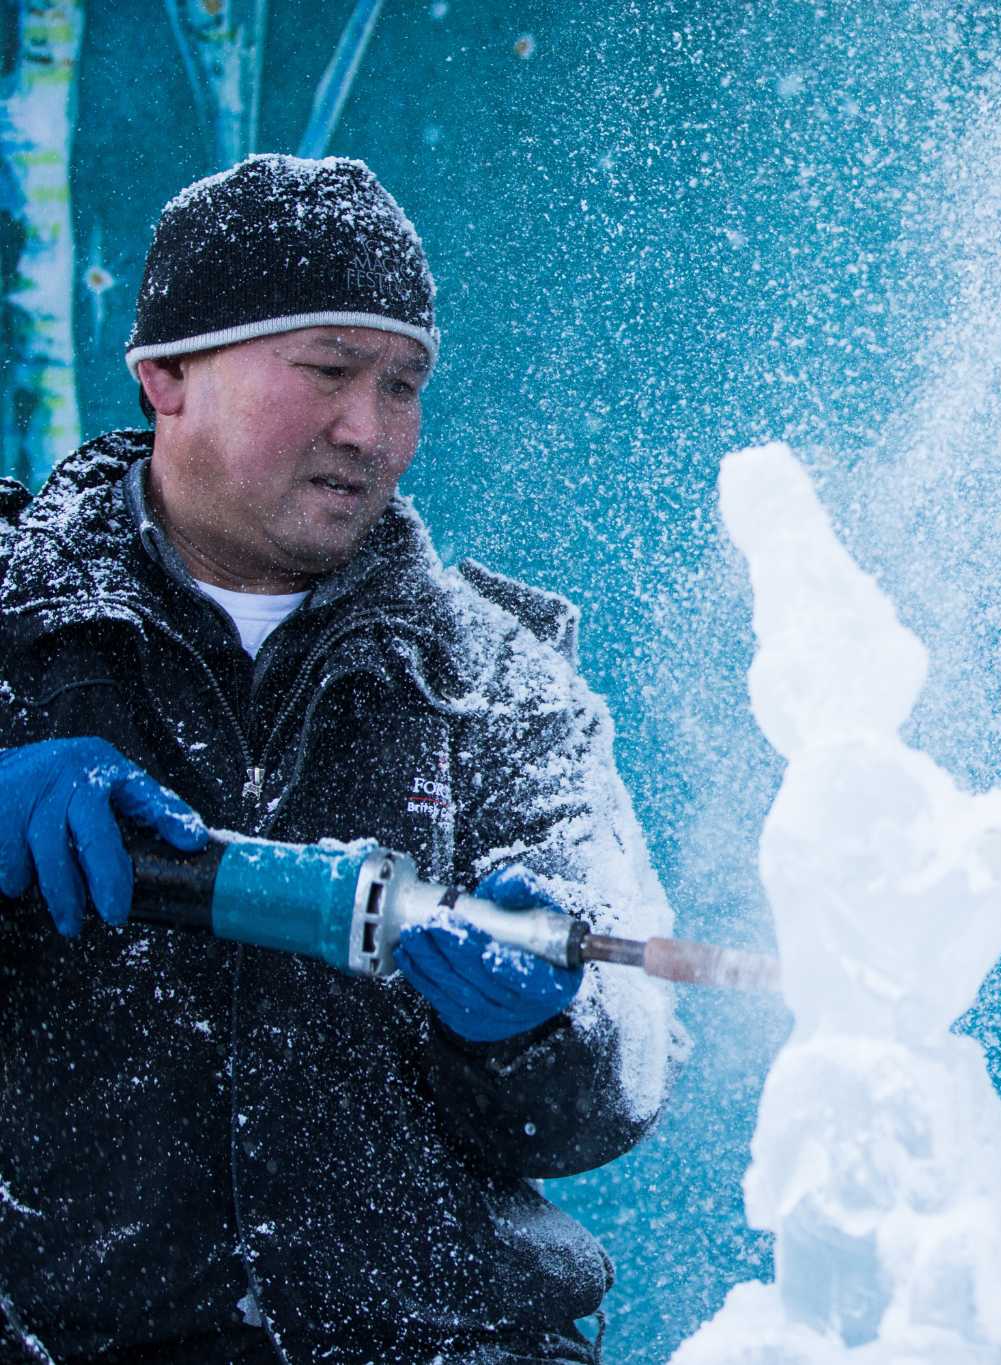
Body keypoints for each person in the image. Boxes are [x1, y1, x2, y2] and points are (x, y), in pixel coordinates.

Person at [0, 155, 675, 1363]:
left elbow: (619, 1078)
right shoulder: (14, 622)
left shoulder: (498, 681)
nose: (368, 429)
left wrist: (540, 1023)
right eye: (323, 370)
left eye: (402, 384)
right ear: (166, 377)